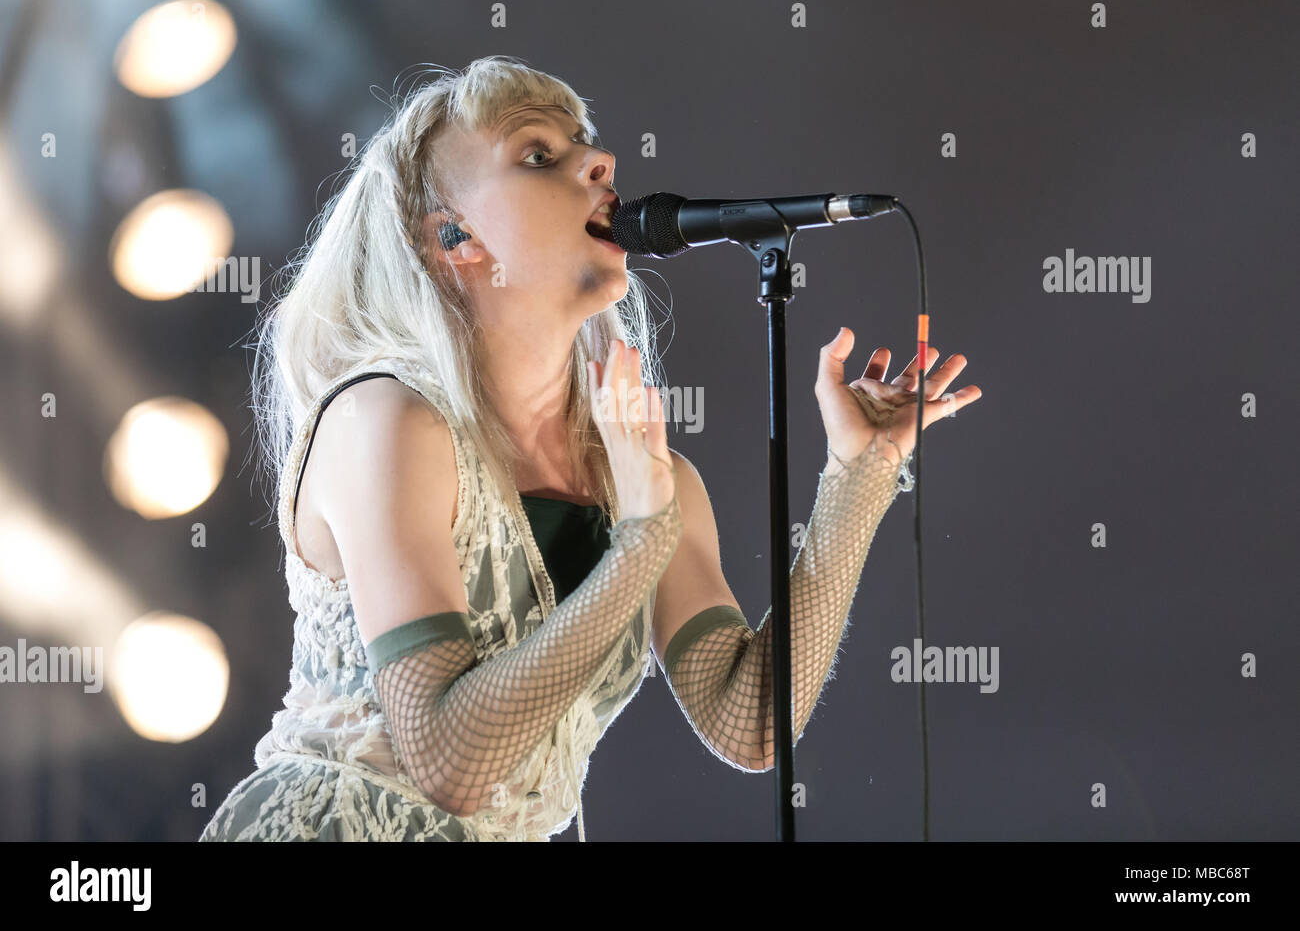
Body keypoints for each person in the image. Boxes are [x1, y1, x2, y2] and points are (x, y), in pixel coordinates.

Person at [199, 56, 982, 842]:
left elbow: (750, 722)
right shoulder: (386, 419)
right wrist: (641, 539)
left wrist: (858, 472)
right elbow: (449, 763)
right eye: (538, 154)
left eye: (586, 142)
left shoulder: (641, 474)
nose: (600, 162)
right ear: (451, 236)